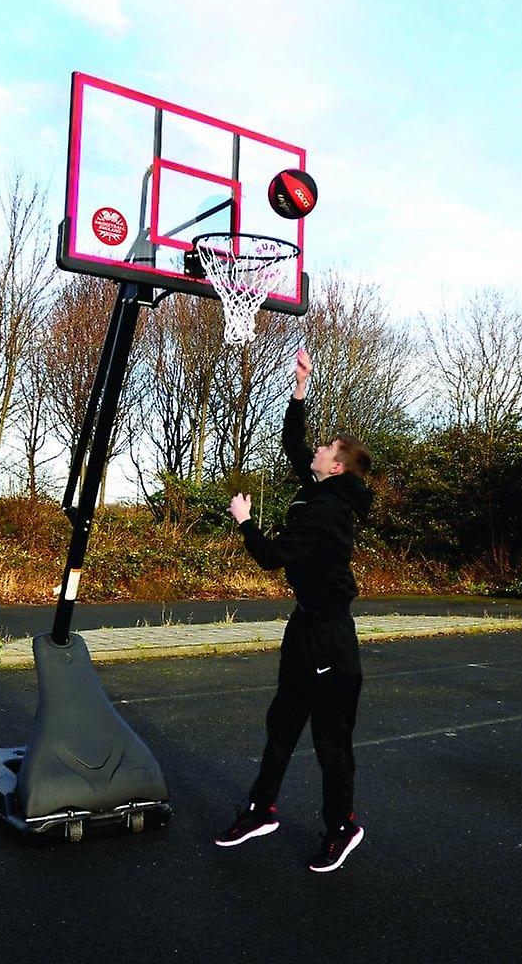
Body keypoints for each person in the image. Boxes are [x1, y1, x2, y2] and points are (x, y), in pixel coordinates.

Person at [214, 348, 374, 873]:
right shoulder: (321, 489)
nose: (318, 448)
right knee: (282, 724)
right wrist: (300, 385)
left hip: (330, 638)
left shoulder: (328, 511)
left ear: (337, 466)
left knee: (330, 743)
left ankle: (342, 827)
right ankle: (262, 809)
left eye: (326, 447)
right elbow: (292, 443)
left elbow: (269, 558)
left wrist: (245, 520)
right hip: (305, 625)